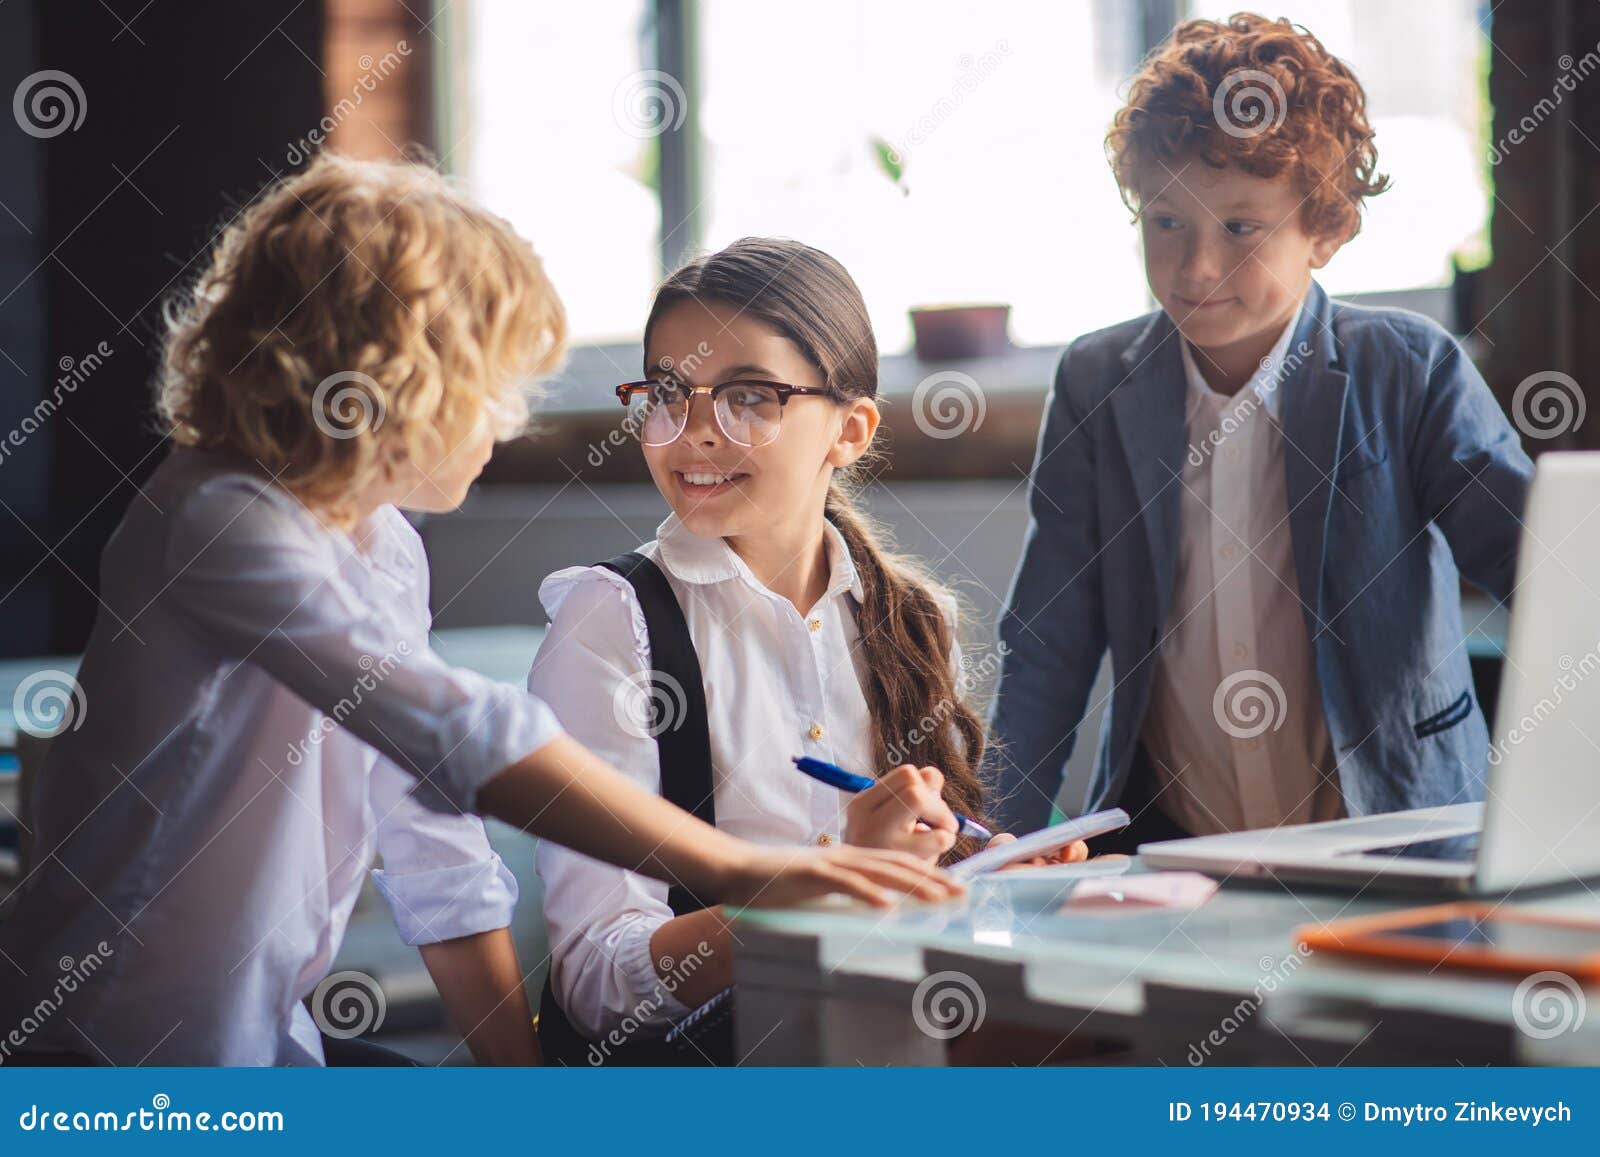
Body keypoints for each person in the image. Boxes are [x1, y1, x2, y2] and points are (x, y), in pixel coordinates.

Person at [0, 158, 958, 1068]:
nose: (508, 422)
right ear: (399, 383)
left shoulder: (381, 544)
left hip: (262, 1049)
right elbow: (465, 733)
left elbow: (433, 841)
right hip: (95, 1060)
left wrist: (525, 1091)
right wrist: (752, 878)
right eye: (492, 387)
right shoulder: (219, 521)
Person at [988, 14, 1532, 848]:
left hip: (1398, 837)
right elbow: (1048, 639)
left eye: (1241, 228)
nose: (1197, 266)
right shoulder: (1097, 382)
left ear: (1326, 230)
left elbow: (1533, 567)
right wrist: (994, 841)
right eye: (1166, 223)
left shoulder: (1407, 367)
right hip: (1176, 852)